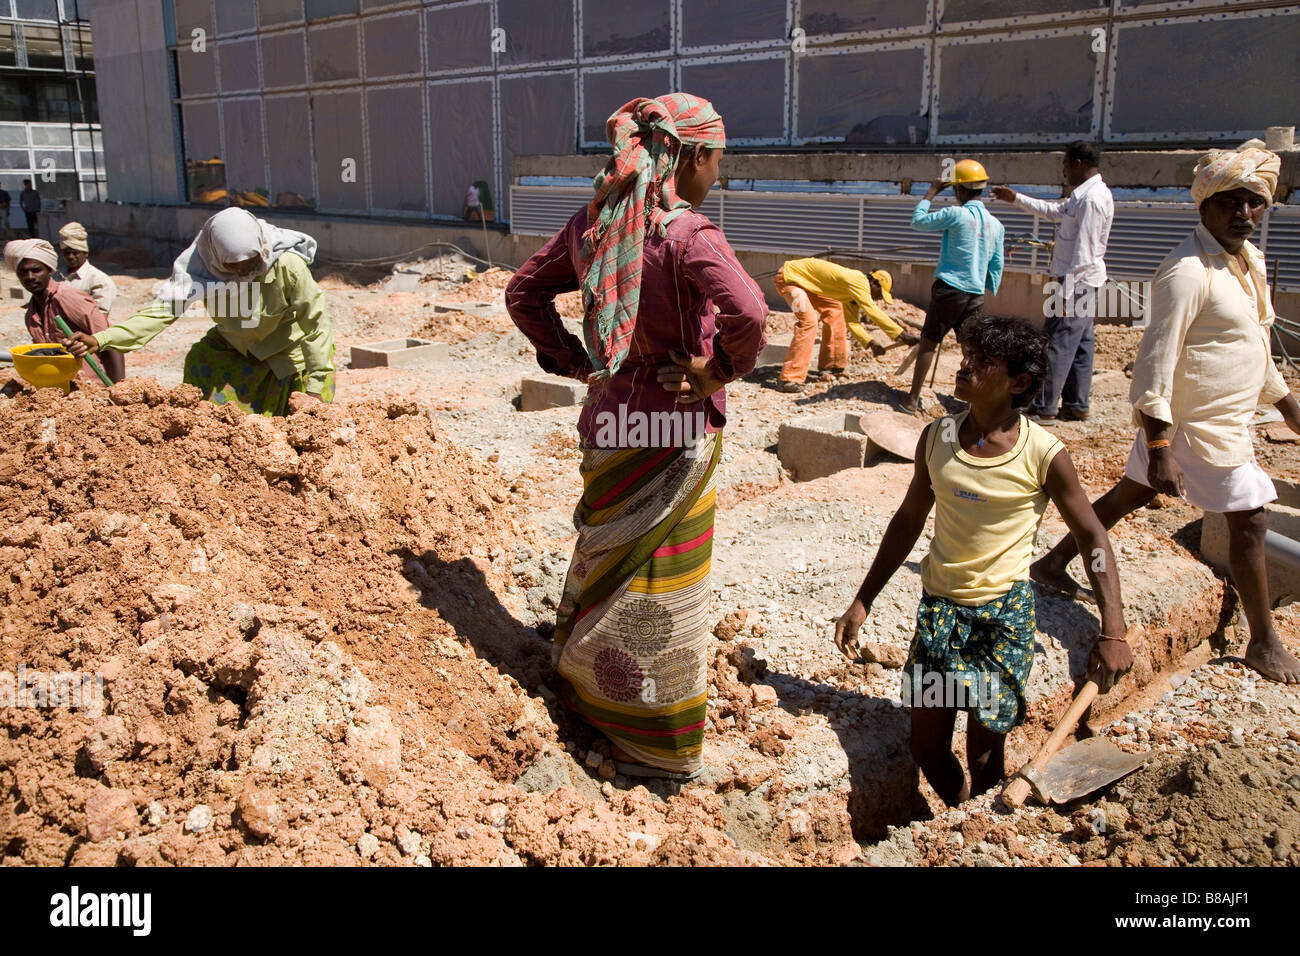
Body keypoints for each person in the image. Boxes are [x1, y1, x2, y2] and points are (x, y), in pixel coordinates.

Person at [506, 93, 767, 779]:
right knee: (660, 582)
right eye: (719, 162)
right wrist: (716, 374)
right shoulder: (688, 237)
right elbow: (751, 313)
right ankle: (653, 736)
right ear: (692, 157)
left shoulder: (593, 225)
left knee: (608, 560)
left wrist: (577, 361)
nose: (720, 176)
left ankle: (588, 690)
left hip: (613, 423)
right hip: (674, 428)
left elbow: (522, 294)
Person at [1031, 142, 1300, 684]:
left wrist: (1288, 404)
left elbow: (1251, 344)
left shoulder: (1248, 263)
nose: (1243, 214)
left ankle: (1053, 562)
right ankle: (1263, 639)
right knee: (1250, 521)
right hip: (1196, 427)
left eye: (1254, 203)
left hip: (1224, 418)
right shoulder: (1185, 271)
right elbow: (1154, 363)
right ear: (1205, 207)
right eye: (1231, 202)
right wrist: (1159, 447)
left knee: (1129, 495)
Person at [835, 317, 1131, 805]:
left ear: (1018, 383)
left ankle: (980, 830)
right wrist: (863, 599)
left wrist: (1113, 631)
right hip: (939, 617)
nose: (966, 366)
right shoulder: (937, 437)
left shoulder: (1043, 453)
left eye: (983, 361)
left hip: (1001, 621)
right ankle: (957, 814)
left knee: (986, 749)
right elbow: (909, 519)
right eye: (967, 355)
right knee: (926, 746)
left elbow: (1092, 534)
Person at [62, 207, 333, 416]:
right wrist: (101, 339)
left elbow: (316, 324)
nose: (246, 271)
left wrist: (316, 389)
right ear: (217, 258)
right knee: (202, 368)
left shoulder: (286, 265)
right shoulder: (201, 270)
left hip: (287, 353)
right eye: (235, 265)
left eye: (252, 262)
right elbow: (159, 314)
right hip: (236, 350)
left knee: (291, 425)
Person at [992, 142, 1114, 423]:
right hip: (1082, 281)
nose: (1063, 171)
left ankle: (1044, 408)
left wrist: (1065, 293)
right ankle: (1076, 404)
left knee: (1057, 342)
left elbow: (1083, 254)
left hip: (1078, 281)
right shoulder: (1082, 197)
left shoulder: (1093, 199)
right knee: (1081, 345)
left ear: (1078, 164)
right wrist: (1016, 199)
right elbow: (1054, 211)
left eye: (1066, 165)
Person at [901, 160, 1005, 416]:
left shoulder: (956, 214)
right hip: (975, 293)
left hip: (950, 289)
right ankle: (975, 403)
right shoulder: (996, 224)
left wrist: (931, 192)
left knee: (928, 343)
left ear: (958, 190)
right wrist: (983, 286)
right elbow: (997, 263)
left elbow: (918, 222)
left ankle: (912, 401)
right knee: (971, 349)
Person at [774, 258, 918, 393]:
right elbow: (872, 310)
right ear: (874, 283)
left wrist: (871, 343)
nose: (878, 299)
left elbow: (852, 323)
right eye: (879, 294)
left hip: (807, 284)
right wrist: (901, 335)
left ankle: (831, 365)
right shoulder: (858, 281)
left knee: (836, 310)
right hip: (789, 278)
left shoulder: (851, 293)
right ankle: (788, 379)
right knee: (809, 322)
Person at [5, 238, 125, 383]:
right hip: (62, 390)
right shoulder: (31, 315)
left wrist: (118, 389)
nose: (30, 277)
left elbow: (111, 342)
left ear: (49, 270)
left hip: (90, 387)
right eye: (24, 272)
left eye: (36, 270)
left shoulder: (68, 298)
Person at [57, 221, 117, 318]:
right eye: (66, 253)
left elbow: (99, 318)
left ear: (85, 253)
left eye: (75, 253)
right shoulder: (56, 276)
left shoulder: (98, 280)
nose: (70, 257)